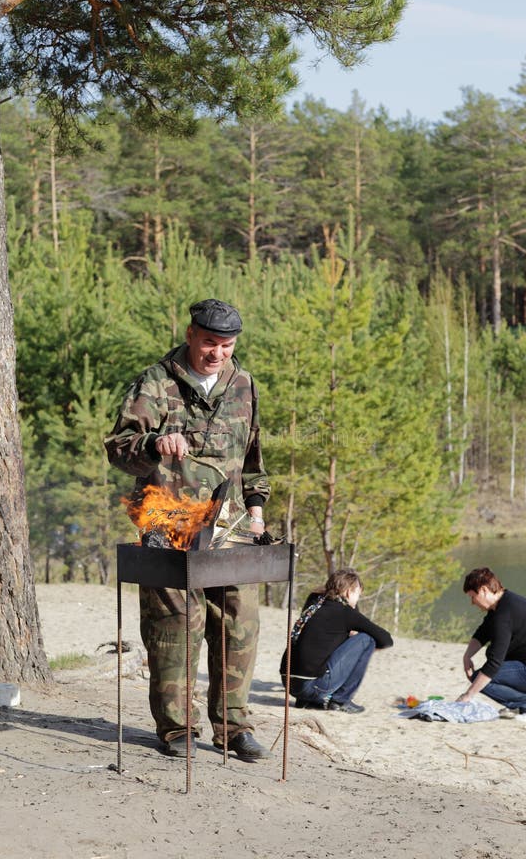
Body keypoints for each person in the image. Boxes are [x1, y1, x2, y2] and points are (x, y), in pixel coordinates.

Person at [105, 298, 272, 760]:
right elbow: (119, 449)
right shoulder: (155, 382)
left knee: (239, 626)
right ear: (191, 335)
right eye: (210, 342)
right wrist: (154, 443)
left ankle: (234, 727)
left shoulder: (243, 384)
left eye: (227, 345)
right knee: (176, 628)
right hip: (169, 524)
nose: (218, 353)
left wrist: (256, 511)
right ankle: (177, 729)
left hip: (231, 527)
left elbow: (253, 461)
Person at [280, 569, 393, 713]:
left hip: (289, 684)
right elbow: (386, 639)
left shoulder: (314, 604)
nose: (358, 599)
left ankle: (306, 700)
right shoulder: (345, 612)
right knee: (367, 640)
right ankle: (341, 700)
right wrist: (362, 648)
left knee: (323, 645)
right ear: (349, 592)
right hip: (312, 687)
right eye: (358, 594)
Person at [456, 567, 526, 722]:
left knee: (480, 678)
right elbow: (483, 632)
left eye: (472, 597)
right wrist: (467, 656)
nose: (472, 602)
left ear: (483, 590)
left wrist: (467, 696)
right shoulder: (504, 603)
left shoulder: (503, 616)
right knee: (491, 655)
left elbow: (493, 665)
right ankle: (519, 705)